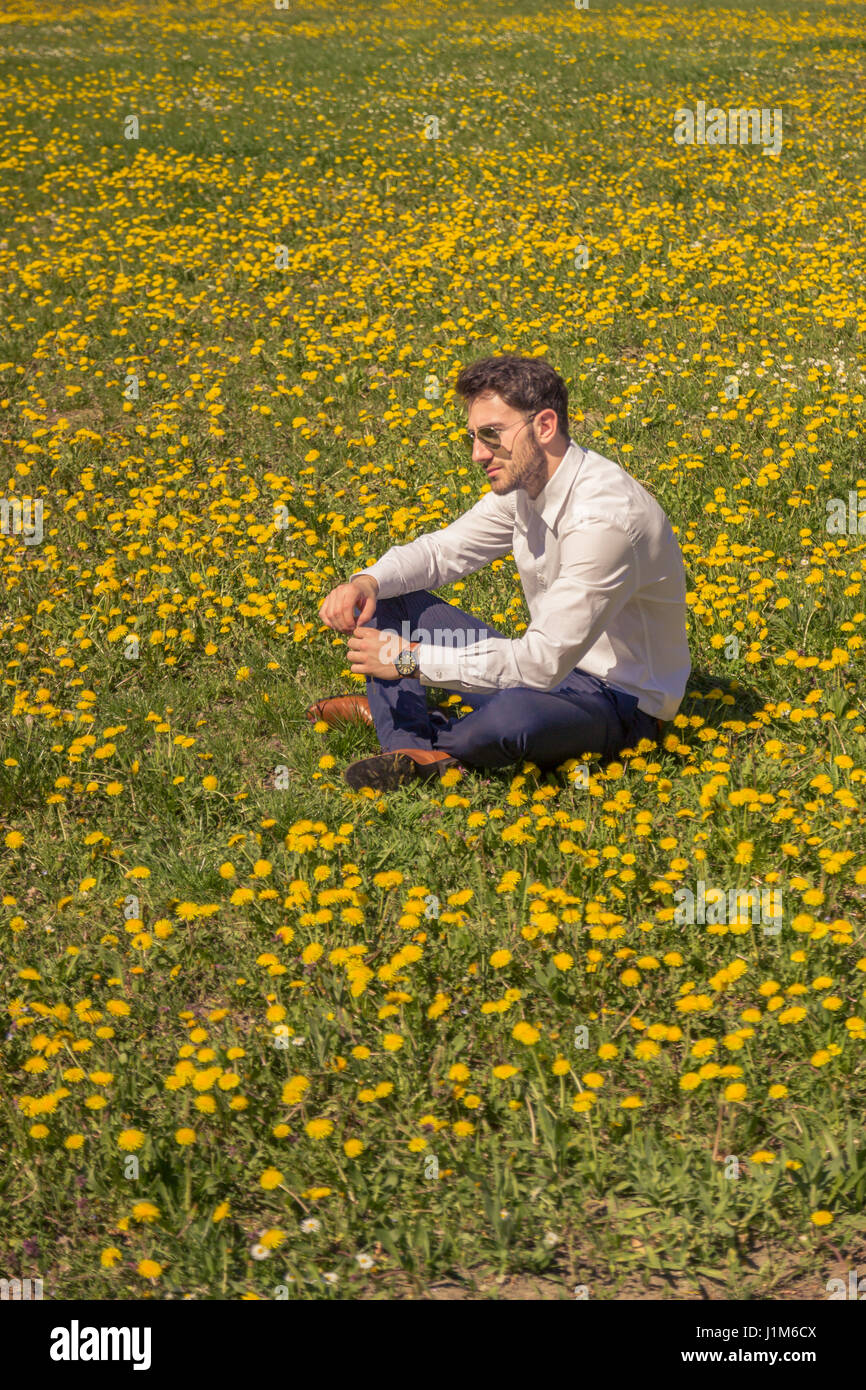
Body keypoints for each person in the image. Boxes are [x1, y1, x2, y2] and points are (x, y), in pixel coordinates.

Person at [310, 355, 691, 791]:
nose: (477, 453)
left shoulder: (605, 520)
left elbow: (542, 662)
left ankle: (410, 721)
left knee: (513, 721)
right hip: (539, 671)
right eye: (473, 436)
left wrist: (405, 660)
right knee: (391, 593)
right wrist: (366, 582)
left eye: (492, 434)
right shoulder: (527, 484)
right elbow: (443, 552)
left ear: (544, 426)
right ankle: (409, 745)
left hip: (618, 700)